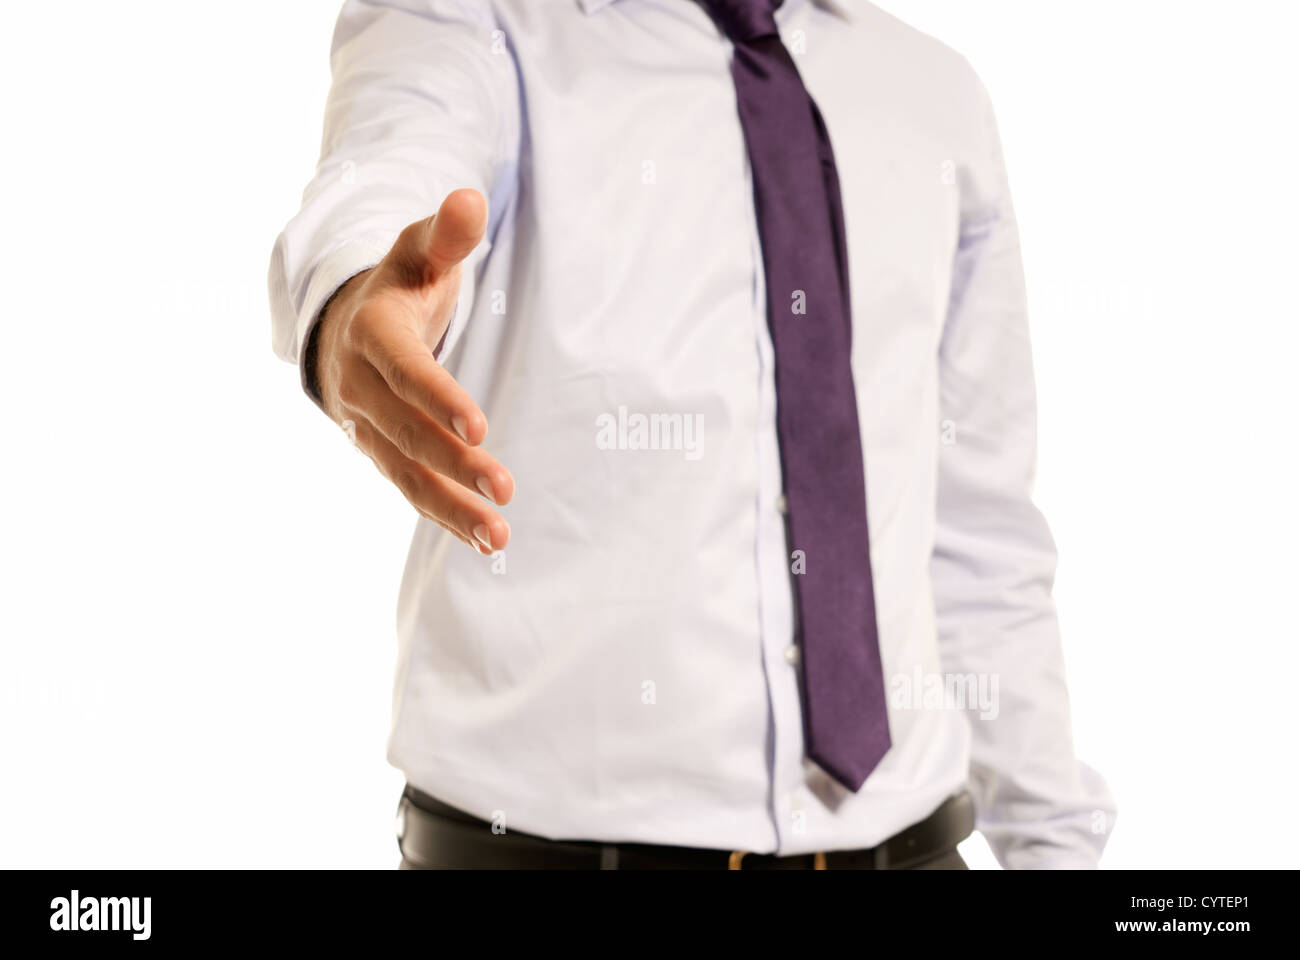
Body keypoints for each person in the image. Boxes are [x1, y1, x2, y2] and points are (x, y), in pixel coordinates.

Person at [268, 0, 1115, 870]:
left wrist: (1054, 847)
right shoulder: (470, 26)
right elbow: (387, 164)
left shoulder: (935, 94)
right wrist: (352, 301)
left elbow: (979, 529)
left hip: (915, 848)